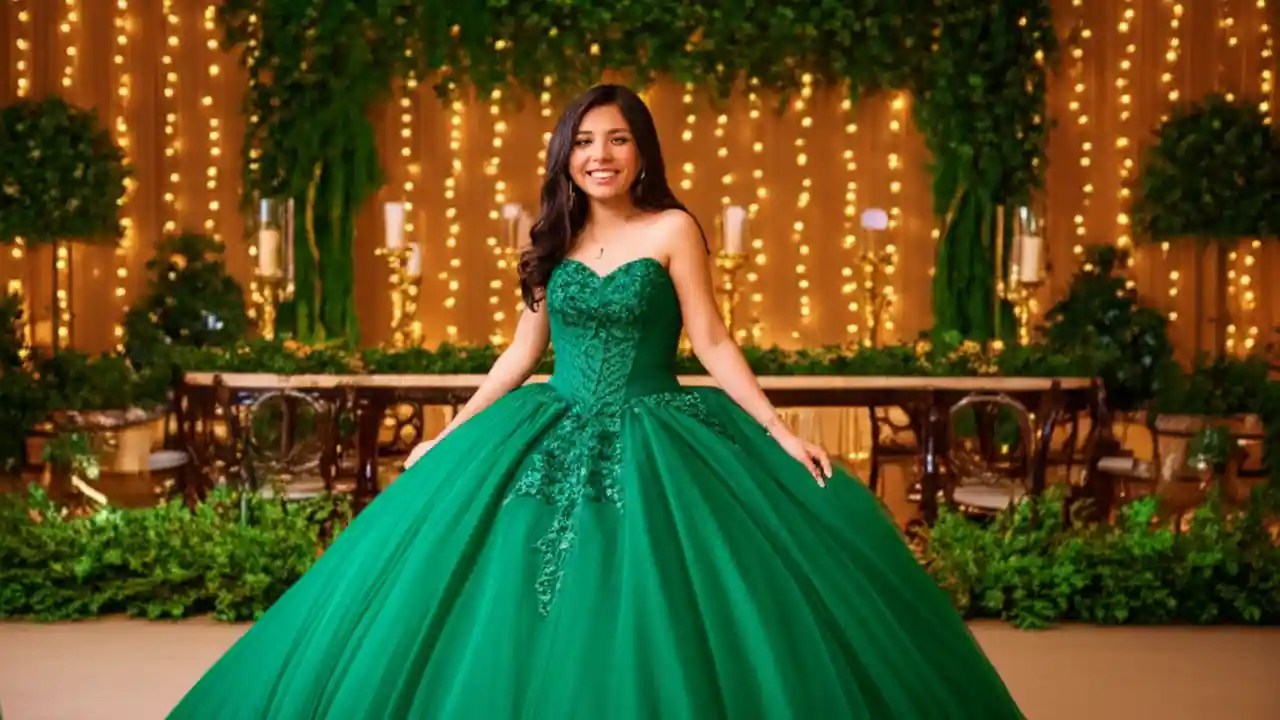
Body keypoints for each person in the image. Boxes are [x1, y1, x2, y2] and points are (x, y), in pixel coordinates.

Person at [170, 83, 1023, 719]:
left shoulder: (672, 229)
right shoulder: (553, 234)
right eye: (584, 142)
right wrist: (454, 433)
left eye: (616, 141)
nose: (600, 156)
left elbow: (714, 343)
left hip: (663, 429)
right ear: (566, 155)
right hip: (547, 423)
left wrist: (776, 430)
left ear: (642, 152)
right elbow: (522, 349)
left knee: (670, 598)